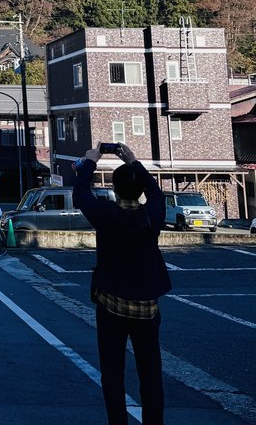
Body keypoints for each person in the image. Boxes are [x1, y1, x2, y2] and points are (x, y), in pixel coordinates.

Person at [73, 143, 170, 425]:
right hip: (146, 306)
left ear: (114, 190)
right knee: (150, 372)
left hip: (111, 304)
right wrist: (134, 162)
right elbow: (156, 193)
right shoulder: (153, 214)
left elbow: (80, 194)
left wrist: (89, 163)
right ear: (139, 190)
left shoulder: (106, 214)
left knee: (113, 373)